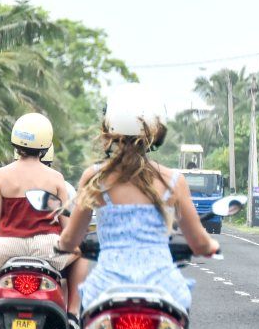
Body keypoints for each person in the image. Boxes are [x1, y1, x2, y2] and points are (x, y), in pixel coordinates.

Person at [56, 85, 219, 315]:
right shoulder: (173, 181)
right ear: (156, 130)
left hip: (107, 287)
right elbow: (199, 243)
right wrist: (211, 246)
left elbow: (71, 238)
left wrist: (62, 244)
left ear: (109, 129)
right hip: (162, 286)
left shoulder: (95, 178)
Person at [0, 113, 78, 329]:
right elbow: (67, 225)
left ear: (16, 141)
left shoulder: (1, 175)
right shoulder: (55, 178)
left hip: (7, 247)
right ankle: (72, 313)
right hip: (46, 248)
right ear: (45, 145)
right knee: (79, 252)